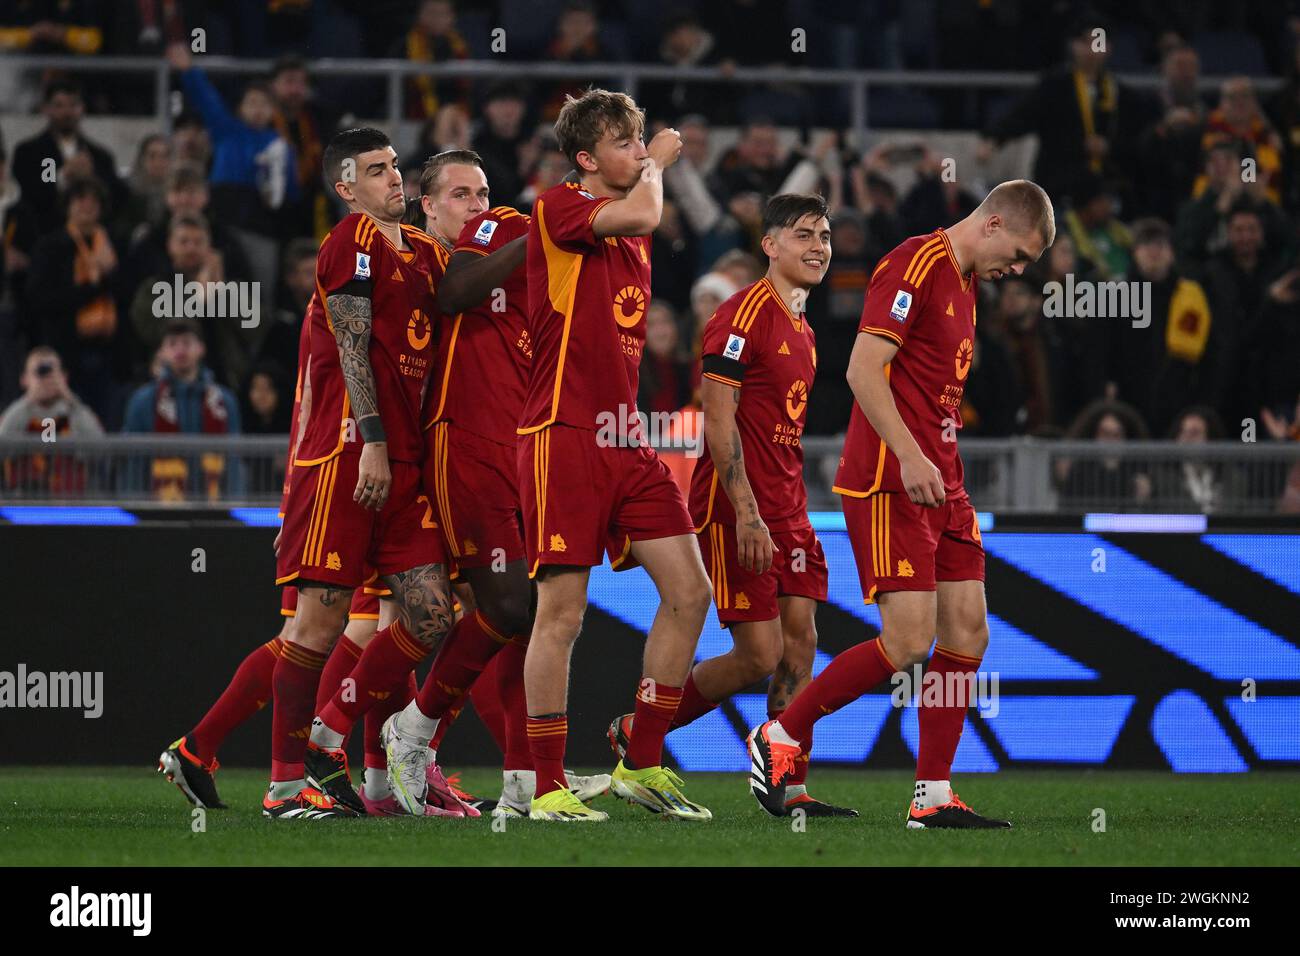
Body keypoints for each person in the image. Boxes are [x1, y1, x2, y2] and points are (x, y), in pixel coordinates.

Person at [748, 180, 1056, 828]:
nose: (1020, 271)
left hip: (941, 480)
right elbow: (863, 369)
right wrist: (913, 456)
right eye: (1022, 255)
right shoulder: (915, 263)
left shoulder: (969, 284)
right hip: (891, 476)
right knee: (909, 640)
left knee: (968, 630)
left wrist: (935, 464)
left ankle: (932, 795)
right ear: (995, 222)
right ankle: (780, 735)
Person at [609, 193, 852, 817]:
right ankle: (640, 732)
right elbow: (718, 423)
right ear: (768, 245)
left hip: (792, 507)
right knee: (758, 656)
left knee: (801, 648)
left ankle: (786, 784)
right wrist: (746, 511)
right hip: (735, 505)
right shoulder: (740, 317)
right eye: (803, 235)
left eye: (824, 235)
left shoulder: (802, 325)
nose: (818, 246)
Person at [516, 89, 712, 822]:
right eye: (624, 144)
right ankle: (545, 788)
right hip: (562, 435)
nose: (640, 152)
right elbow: (645, 207)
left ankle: (642, 764)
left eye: (641, 143)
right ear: (588, 160)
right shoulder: (557, 206)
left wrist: (652, 164)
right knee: (561, 616)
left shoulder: (631, 231)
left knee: (690, 593)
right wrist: (660, 161)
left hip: (624, 439)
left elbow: (644, 217)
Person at [265, 127, 451, 820]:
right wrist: (372, 438)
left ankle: (325, 736)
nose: (393, 178)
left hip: (405, 464)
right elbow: (351, 340)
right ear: (347, 188)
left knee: (431, 614)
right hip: (347, 454)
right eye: (376, 170)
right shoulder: (351, 240)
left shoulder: (428, 254)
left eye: (396, 166)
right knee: (319, 621)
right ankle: (285, 785)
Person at [27, 175, 124, 429]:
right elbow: (41, 300)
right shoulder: (51, 247)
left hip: (108, 353)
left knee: (105, 423)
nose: (87, 205)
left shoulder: (114, 244)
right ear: (68, 206)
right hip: (66, 351)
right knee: (65, 424)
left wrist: (110, 276)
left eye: (93, 200)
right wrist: (94, 285)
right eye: (80, 199)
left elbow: (126, 293)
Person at [123, 319, 244, 501]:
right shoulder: (143, 401)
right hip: (158, 514)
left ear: (201, 348)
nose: (180, 350)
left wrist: (235, 507)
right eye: (172, 344)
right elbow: (134, 466)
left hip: (214, 513)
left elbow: (233, 463)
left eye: (187, 342)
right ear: (162, 352)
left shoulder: (224, 402)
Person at [0, 346, 104, 497]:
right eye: (40, 372)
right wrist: (28, 400)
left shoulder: (76, 412)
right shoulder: (15, 414)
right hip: (24, 505)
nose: (46, 378)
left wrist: (70, 399)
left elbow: (100, 451)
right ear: (24, 379)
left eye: (52, 372)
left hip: (70, 506)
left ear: (64, 377)